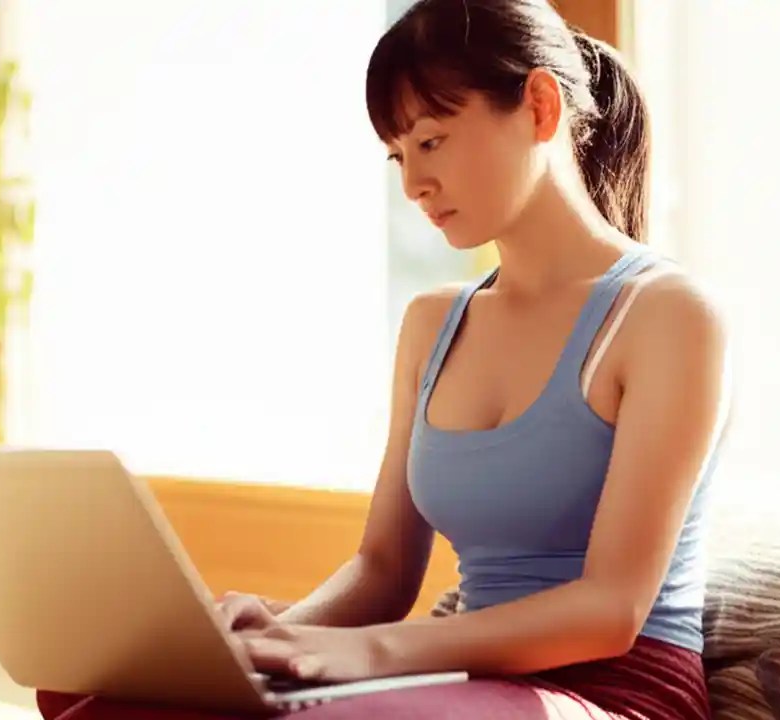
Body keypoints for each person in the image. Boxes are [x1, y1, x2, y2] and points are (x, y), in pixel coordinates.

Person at [38, 0, 731, 717]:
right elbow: (384, 568)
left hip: (610, 692)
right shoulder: (435, 324)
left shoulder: (668, 316)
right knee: (95, 689)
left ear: (539, 106)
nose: (412, 185)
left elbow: (611, 609)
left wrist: (368, 653)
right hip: (470, 683)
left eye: (432, 141)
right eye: (398, 155)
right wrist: (273, 639)